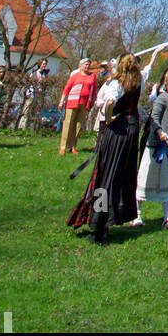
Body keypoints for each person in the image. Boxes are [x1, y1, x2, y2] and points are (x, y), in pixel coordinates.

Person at [67, 52, 156, 244]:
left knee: (104, 177)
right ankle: (108, 220)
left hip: (117, 132)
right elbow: (147, 69)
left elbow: (109, 102)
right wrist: (155, 55)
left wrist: (108, 117)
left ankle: (99, 224)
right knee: (120, 177)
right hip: (132, 131)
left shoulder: (117, 84)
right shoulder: (138, 81)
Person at [135, 68, 168, 228]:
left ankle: (167, 216)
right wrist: (160, 132)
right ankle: (136, 214)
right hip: (155, 147)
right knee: (145, 178)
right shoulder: (162, 98)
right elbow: (154, 118)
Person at [58, 59, 98, 155]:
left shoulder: (92, 76)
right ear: (80, 65)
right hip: (72, 102)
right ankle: (63, 146)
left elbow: (94, 90)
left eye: (88, 64)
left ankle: (73, 146)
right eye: (85, 64)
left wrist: (93, 101)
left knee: (78, 125)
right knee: (68, 124)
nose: (87, 66)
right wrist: (62, 101)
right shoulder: (75, 76)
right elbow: (66, 89)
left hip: (84, 103)